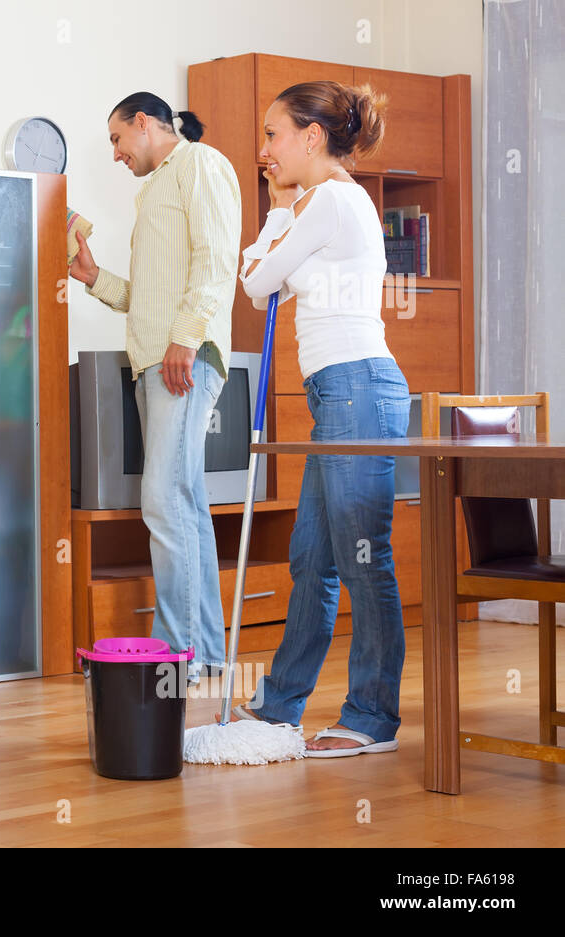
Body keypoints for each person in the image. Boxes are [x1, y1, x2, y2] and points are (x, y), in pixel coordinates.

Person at [235, 81, 410, 756]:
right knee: (314, 556)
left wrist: (278, 217)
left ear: (313, 137)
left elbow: (255, 280)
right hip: (337, 394)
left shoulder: (333, 201)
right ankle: (281, 704)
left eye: (275, 134)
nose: (264, 149)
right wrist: (280, 217)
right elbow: (260, 279)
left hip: (358, 387)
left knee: (365, 557)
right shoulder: (313, 206)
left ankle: (372, 717)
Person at [69, 91, 242, 681]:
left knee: (163, 503)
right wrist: (94, 278)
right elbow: (148, 297)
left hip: (182, 361)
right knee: (185, 506)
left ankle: (177, 655)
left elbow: (217, 261)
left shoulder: (200, 165)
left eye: (117, 139)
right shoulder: (155, 190)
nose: (116, 154)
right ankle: (208, 657)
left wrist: (187, 339)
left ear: (143, 124)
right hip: (158, 362)